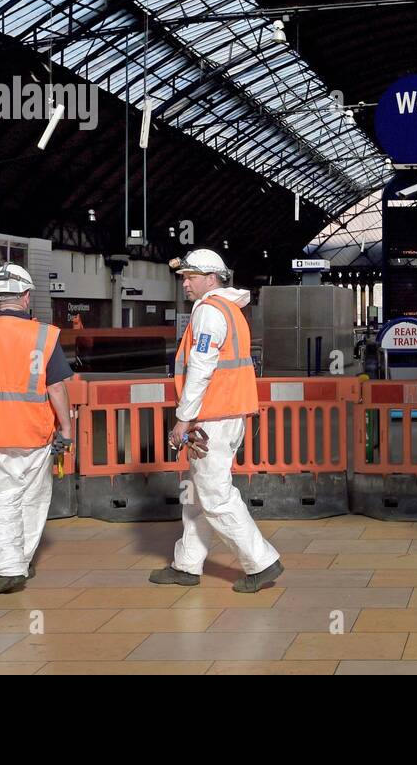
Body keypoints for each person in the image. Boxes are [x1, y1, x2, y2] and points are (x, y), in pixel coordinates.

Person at [149, 248, 282, 592]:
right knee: (198, 497)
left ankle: (261, 562)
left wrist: (183, 418)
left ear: (211, 278)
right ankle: (187, 564)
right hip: (225, 414)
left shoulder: (209, 311)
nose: (185, 284)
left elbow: (201, 368)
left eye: (191, 277)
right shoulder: (229, 309)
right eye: (184, 278)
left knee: (216, 497)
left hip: (212, 417)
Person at [0, 263, 74, 594]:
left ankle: (9, 566)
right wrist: (66, 429)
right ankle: (18, 561)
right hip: (33, 433)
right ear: (25, 297)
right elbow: (56, 387)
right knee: (32, 500)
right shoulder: (43, 335)